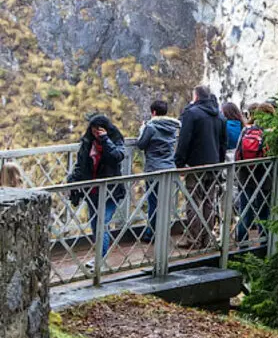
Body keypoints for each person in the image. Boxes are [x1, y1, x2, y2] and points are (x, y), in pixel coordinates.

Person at [67, 115, 127, 269]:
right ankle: (99, 258)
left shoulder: (115, 140)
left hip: (111, 191)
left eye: (98, 131)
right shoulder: (87, 142)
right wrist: (73, 180)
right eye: (93, 131)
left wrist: (105, 140)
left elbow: (117, 156)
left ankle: (99, 260)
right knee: (95, 224)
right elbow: (81, 164)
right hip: (92, 191)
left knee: (103, 223)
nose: (95, 134)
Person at [175, 85, 227, 248]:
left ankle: (194, 240)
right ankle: (207, 238)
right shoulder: (219, 116)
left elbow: (184, 140)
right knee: (209, 202)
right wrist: (219, 162)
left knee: (194, 201)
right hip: (214, 165)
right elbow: (223, 143)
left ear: (196, 96)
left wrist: (179, 163)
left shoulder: (192, 113)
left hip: (195, 165)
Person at [132, 99, 179, 242]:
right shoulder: (172, 127)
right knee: (165, 202)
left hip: (154, 169)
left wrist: (142, 130)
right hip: (169, 167)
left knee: (153, 202)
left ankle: (151, 234)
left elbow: (141, 145)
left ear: (153, 112)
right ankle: (164, 232)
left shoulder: (151, 127)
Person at [235, 102, 273, 243]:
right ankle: (264, 240)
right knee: (264, 210)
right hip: (264, 176)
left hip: (245, 175)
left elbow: (238, 153)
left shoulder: (246, 130)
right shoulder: (270, 132)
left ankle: (242, 240)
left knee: (245, 208)